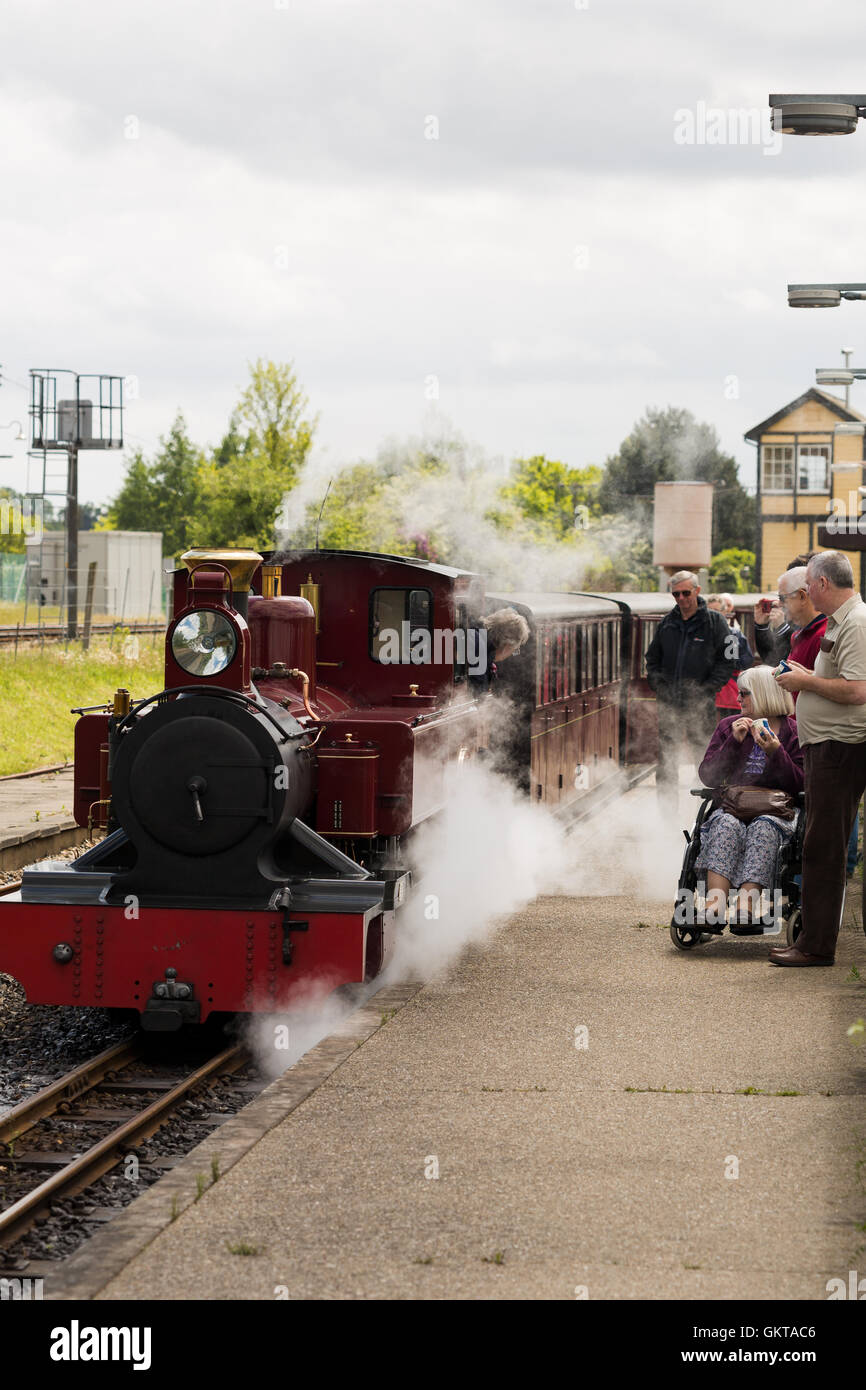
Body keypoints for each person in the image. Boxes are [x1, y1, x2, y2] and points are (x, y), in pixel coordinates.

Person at [772, 550, 866, 966]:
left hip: (840, 746)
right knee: (819, 844)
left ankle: (815, 946)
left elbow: (858, 690)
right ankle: (813, 940)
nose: (807, 591)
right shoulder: (842, 621)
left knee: (823, 846)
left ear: (824, 584)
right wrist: (806, 677)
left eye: (809, 583)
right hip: (830, 745)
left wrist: (806, 681)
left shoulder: (857, 624)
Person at [694, 664, 803, 930]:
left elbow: (801, 784)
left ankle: (746, 905)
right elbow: (708, 776)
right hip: (732, 807)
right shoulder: (727, 726)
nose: (737, 698)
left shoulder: (794, 732)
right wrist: (733, 741)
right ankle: (715, 904)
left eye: (744, 693)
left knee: (764, 827)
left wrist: (776, 752)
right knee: (726, 824)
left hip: (776, 812)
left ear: (764, 694)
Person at [645, 572, 736, 810]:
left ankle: (704, 815)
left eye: (686, 593)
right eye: (676, 594)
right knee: (666, 761)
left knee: (704, 759)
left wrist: (708, 688)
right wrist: (659, 685)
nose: (681, 598)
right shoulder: (667, 623)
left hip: (701, 704)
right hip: (669, 703)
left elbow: (728, 660)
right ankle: (666, 816)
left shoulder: (715, 622)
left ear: (697, 591)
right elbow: (652, 660)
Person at [707, 594, 754, 718]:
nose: (712, 615)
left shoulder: (731, 635)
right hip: (705, 691)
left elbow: (739, 663)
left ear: (724, 612)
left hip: (726, 692)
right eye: (709, 611)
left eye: (716, 611)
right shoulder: (699, 635)